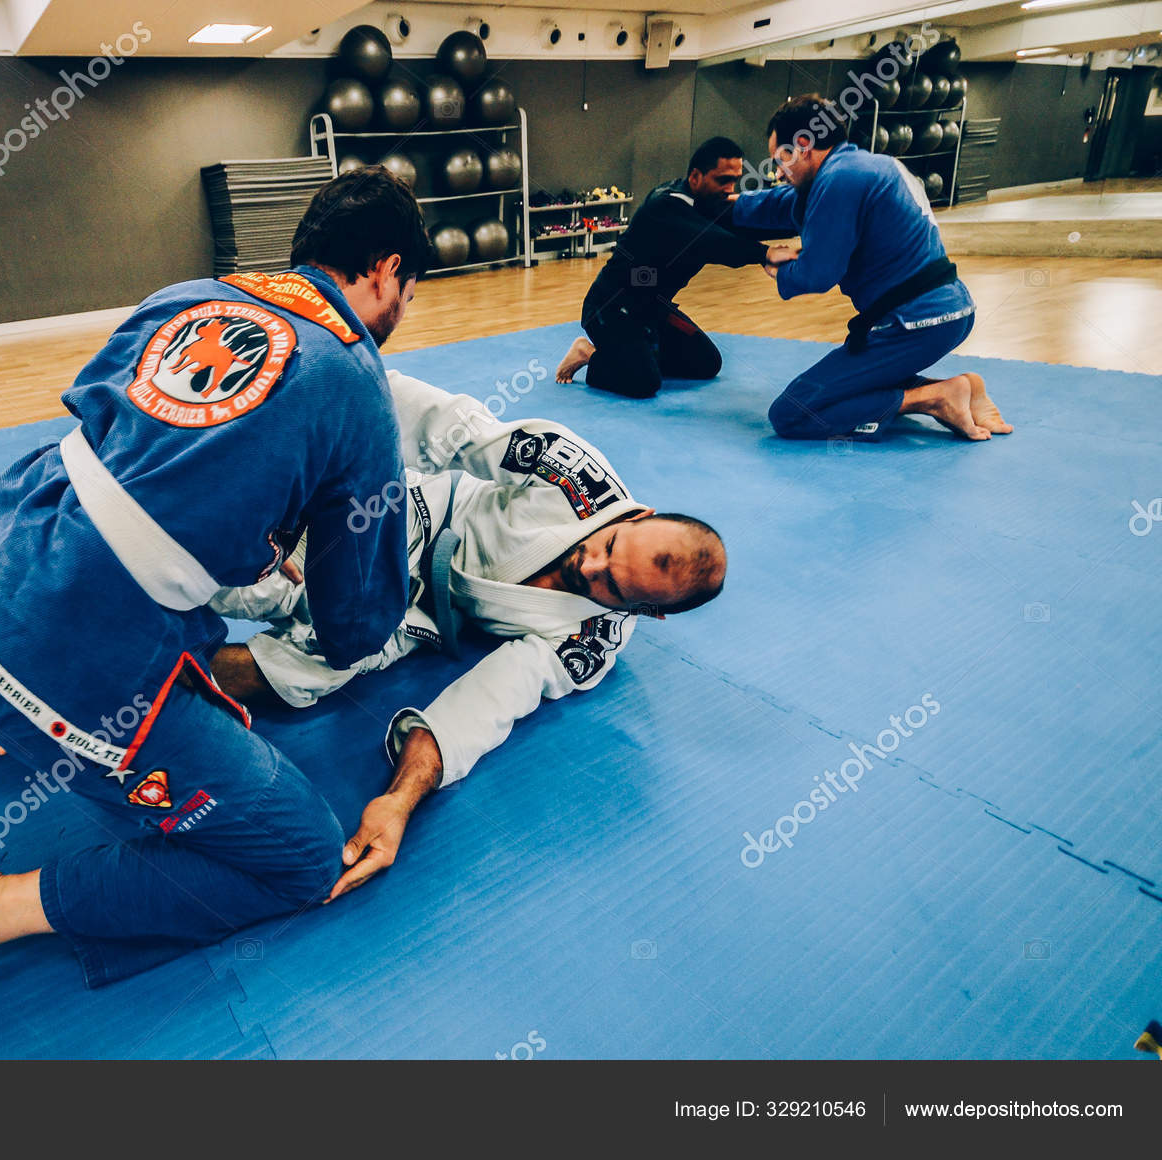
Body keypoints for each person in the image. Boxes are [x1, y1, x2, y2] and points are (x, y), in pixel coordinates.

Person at [0, 166, 433, 1022]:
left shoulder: (193, 292)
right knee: (300, 855)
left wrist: (253, 526)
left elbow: (112, 426)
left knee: (79, 614)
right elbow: (355, 627)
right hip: (66, 653)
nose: (402, 311)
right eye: (409, 290)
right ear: (387, 270)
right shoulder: (356, 380)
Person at [210, 369, 727, 899]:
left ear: (647, 613)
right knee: (266, 581)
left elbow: (490, 703)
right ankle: (141, 575)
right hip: (416, 517)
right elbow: (451, 424)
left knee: (318, 668)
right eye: (611, 545)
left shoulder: (590, 641)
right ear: (639, 515)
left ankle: (161, 681)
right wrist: (332, 390)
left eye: (611, 586)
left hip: (424, 617)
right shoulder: (573, 472)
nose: (590, 563)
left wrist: (399, 801)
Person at [731, 94, 1012, 442]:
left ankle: (935, 398)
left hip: (914, 323)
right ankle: (961, 389)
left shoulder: (840, 180)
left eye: (781, 158)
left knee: (793, 413)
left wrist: (779, 268)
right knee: (854, 384)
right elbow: (785, 204)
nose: (777, 171)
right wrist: (727, 206)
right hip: (946, 311)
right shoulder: (862, 167)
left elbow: (819, 274)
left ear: (803, 145)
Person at [555, 136, 795, 397]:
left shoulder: (708, 204)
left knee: (707, 363)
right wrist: (765, 253)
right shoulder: (666, 205)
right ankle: (589, 353)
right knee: (644, 384)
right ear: (695, 177)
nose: (729, 188)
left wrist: (806, 222)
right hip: (610, 310)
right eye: (722, 179)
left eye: (734, 180)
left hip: (653, 308)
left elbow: (744, 226)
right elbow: (710, 241)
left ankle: (638, 353)